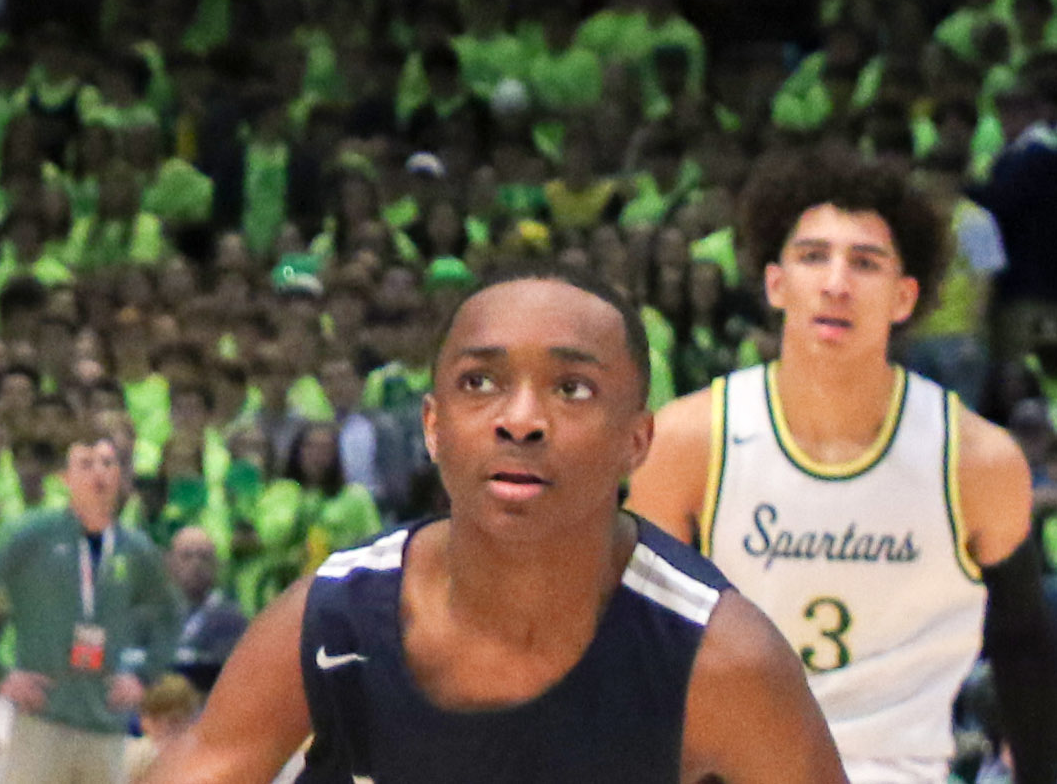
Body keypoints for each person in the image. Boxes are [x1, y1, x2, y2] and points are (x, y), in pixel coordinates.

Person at [149, 267, 842, 783]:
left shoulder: (722, 660)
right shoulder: (334, 618)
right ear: (432, 425)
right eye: (479, 382)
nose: (519, 418)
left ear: (636, 439)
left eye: (571, 388)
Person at [630, 148, 1057, 784]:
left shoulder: (977, 459)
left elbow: (1023, 649)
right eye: (813, 257)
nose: (836, 282)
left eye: (865, 262)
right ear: (775, 283)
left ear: (906, 296)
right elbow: (639, 653)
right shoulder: (689, 443)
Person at [0, 434, 182, 784]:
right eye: (85, 464)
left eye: (108, 464)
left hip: (105, 723)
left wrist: (144, 676)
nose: (98, 474)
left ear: (121, 478)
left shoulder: (135, 548)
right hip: (42, 719)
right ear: (65, 478)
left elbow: (171, 614)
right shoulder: (32, 535)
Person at [162, 527, 247, 693]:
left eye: (204, 557)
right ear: (169, 563)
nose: (196, 564)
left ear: (217, 565)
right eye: (186, 556)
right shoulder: (151, 615)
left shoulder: (233, 621)